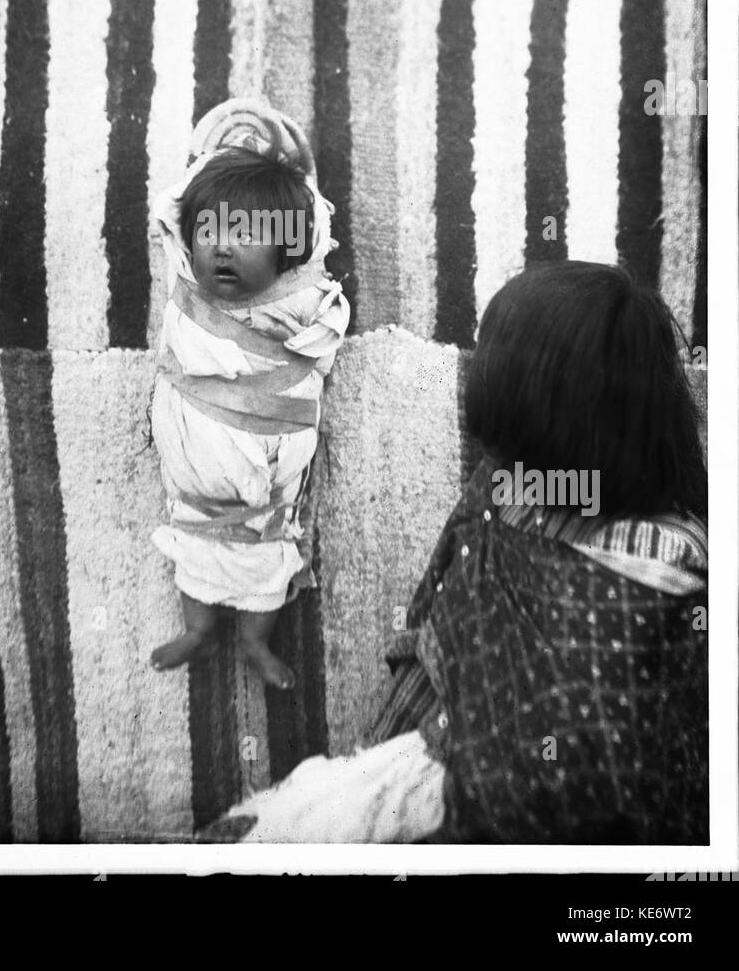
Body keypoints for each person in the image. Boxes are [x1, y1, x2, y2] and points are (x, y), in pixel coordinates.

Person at [202, 261, 708, 841]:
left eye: (492, 356)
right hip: (424, 767)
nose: (478, 369)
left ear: (545, 396)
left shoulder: (663, 568)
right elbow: (438, 638)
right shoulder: (513, 487)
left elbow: (600, 767)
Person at [148, 99, 350, 690]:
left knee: (265, 572)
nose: (222, 247)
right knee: (195, 558)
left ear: (289, 250)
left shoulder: (301, 304)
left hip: (265, 491)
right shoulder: (186, 284)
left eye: (246, 234)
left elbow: (319, 350)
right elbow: (175, 210)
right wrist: (224, 151)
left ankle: (255, 644)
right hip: (194, 486)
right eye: (209, 231)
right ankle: (200, 630)